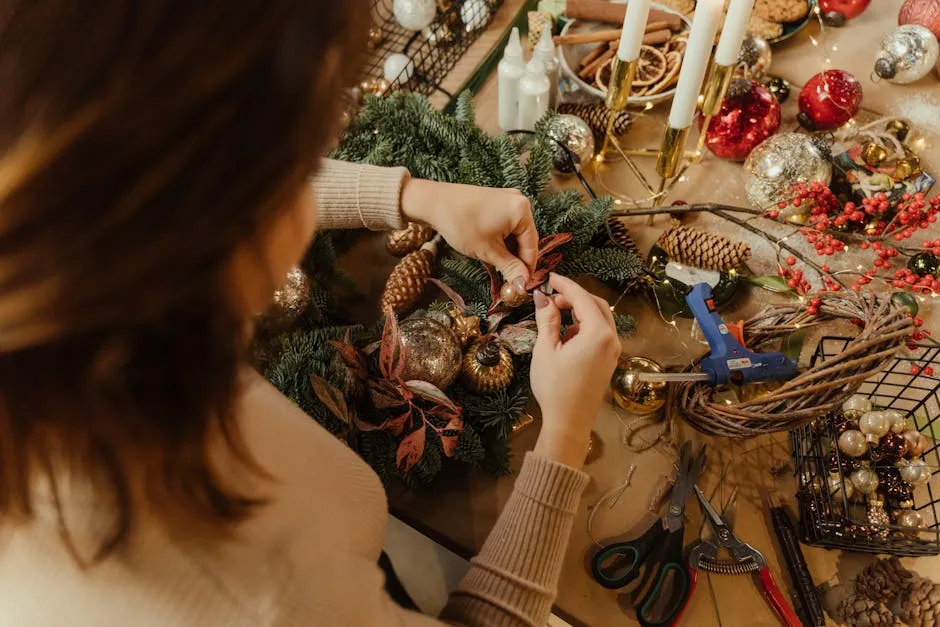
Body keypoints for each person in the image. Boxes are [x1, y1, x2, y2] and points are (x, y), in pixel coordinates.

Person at [0, 2, 621, 626]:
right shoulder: (257, 594)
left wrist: (415, 195)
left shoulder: (65, 276)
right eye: (306, 154)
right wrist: (563, 438)